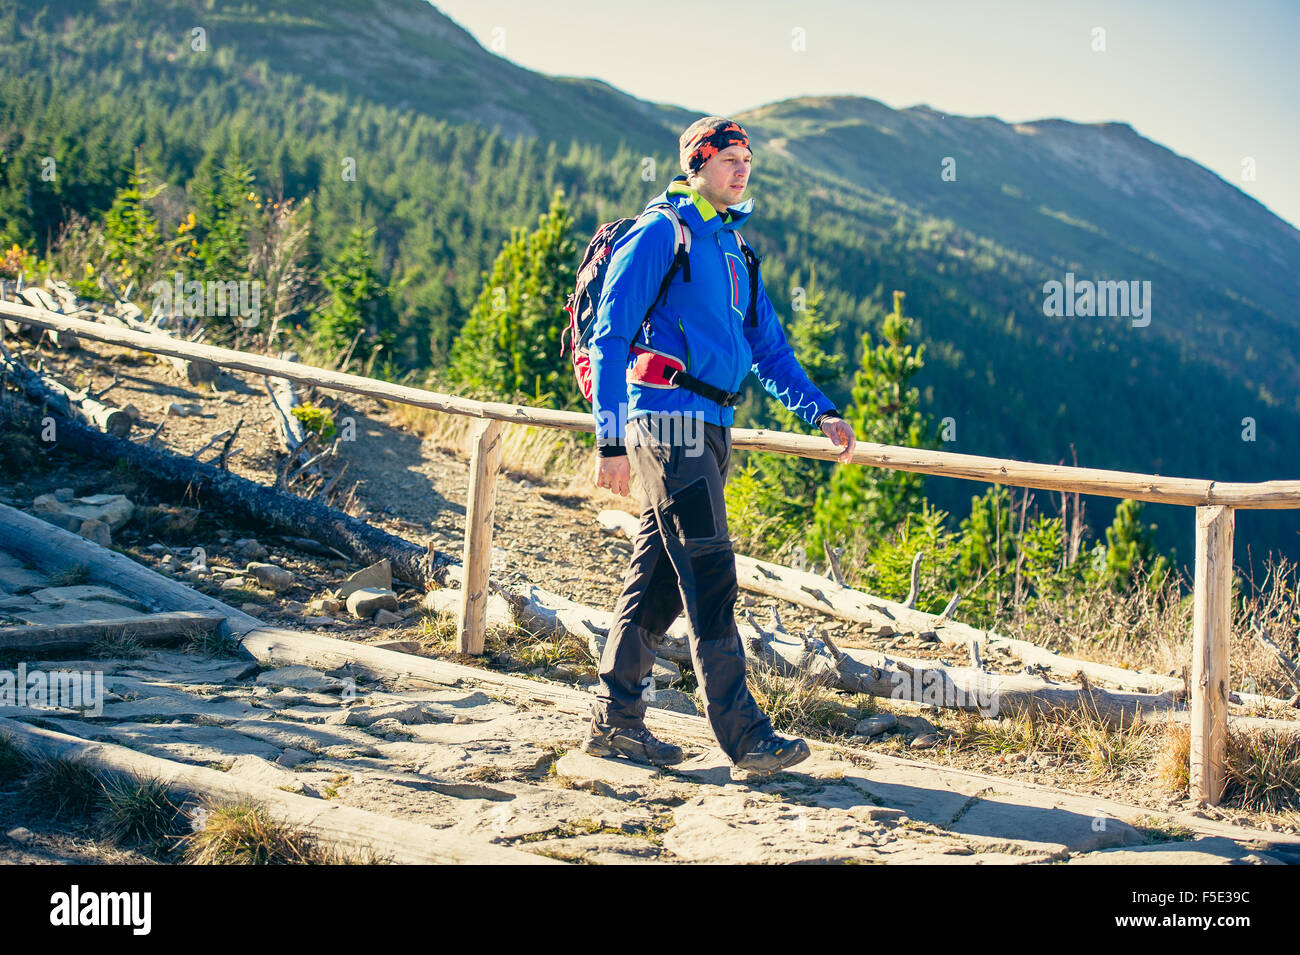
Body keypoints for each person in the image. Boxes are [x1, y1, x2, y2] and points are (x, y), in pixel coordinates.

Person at [583, 116, 857, 774]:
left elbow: (769, 349)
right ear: (697, 163)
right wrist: (610, 437)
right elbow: (609, 334)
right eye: (730, 158)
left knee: (658, 581)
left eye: (748, 160)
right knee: (711, 573)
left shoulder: (736, 250)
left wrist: (819, 409)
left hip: (712, 427)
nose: (742, 169)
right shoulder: (663, 232)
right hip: (666, 421)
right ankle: (746, 736)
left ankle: (614, 723)